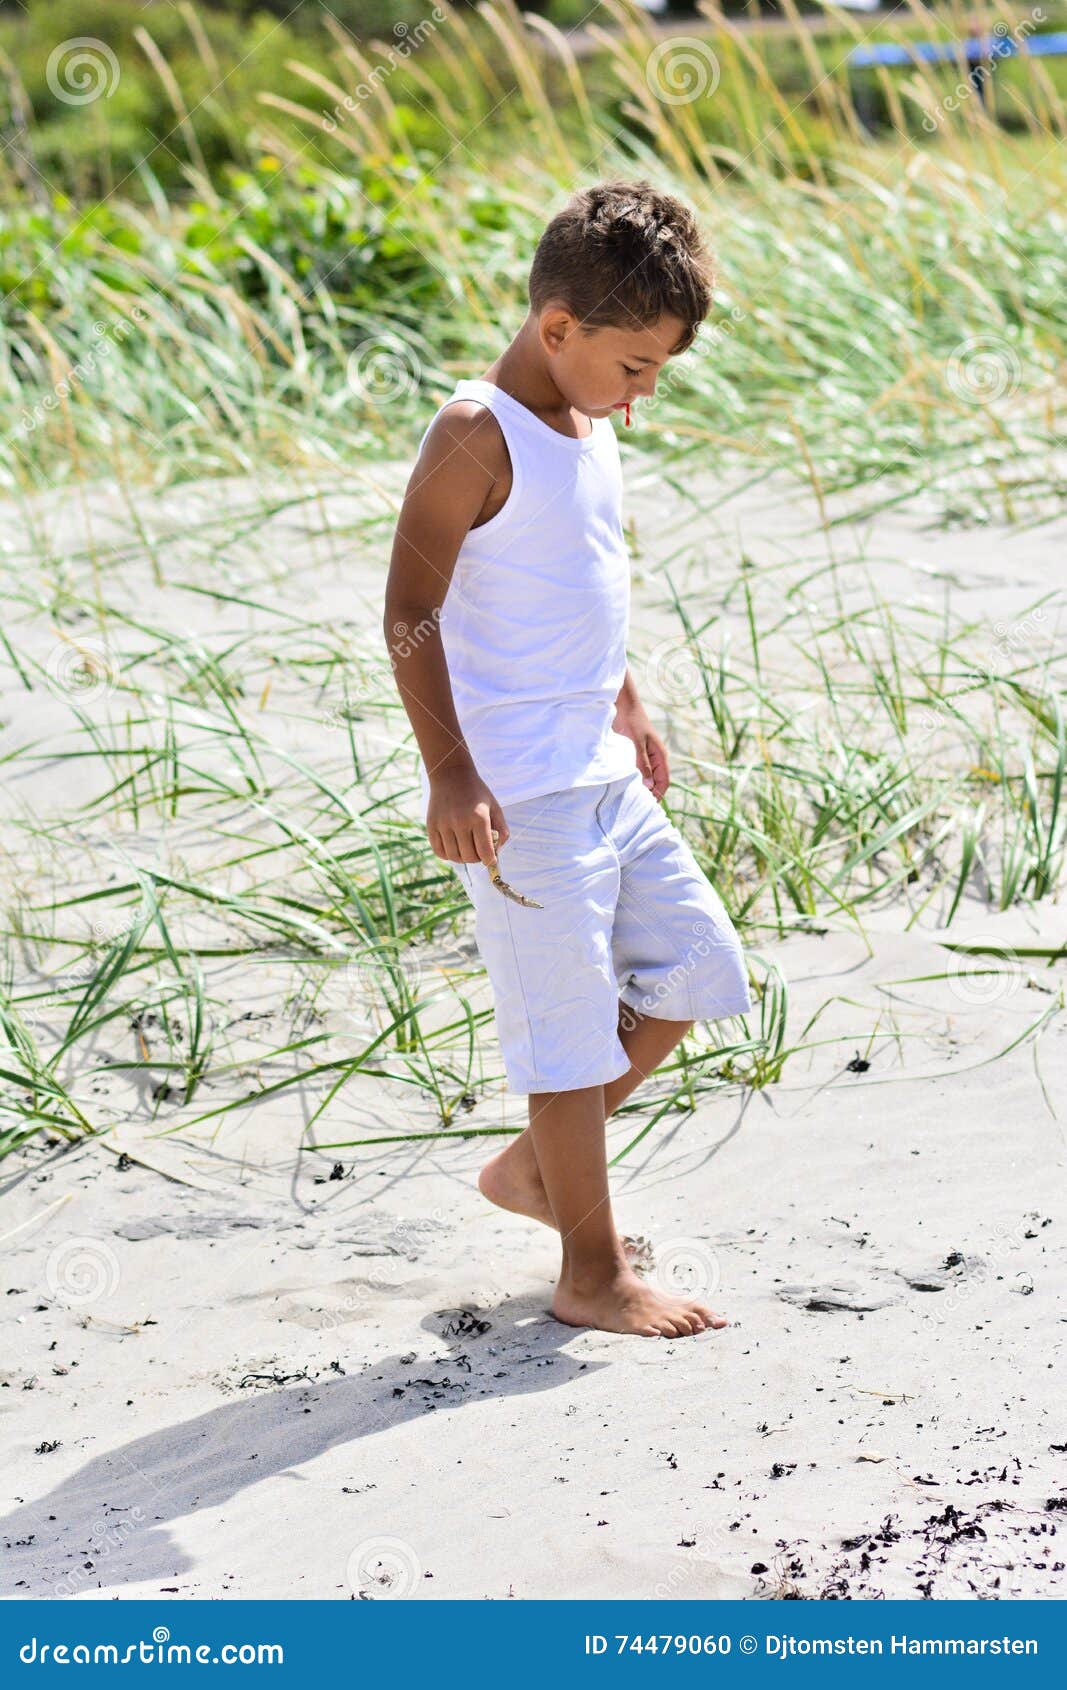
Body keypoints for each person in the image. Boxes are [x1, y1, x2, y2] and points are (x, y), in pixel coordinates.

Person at [383, 179, 752, 1338]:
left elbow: (585, 581)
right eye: (634, 365)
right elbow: (408, 611)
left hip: (596, 767)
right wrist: (449, 774)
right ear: (557, 329)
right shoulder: (474, 434)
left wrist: (628, 705)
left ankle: (536, 1170)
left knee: (698, 966)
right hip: (518, 796)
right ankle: (589, 1271)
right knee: (566, 1034)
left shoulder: (587, 422)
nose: (645, 392)